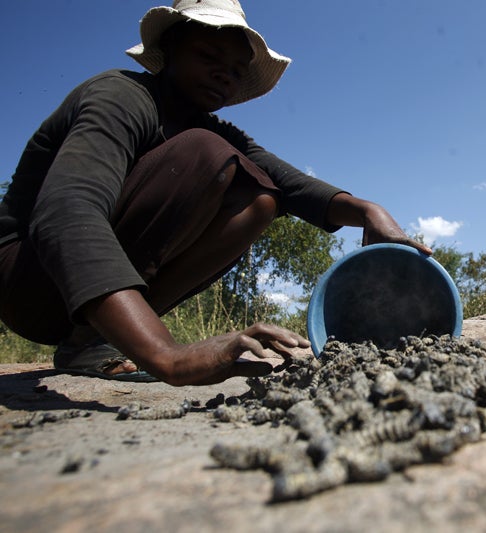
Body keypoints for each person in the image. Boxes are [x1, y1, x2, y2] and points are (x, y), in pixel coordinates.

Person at [0, 0, 430, 386]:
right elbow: (66, 209)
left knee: (259, 196)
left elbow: (291, 184)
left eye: (236, 70)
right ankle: (133, 340)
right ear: (169, 51)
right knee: (209, 155)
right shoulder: (120, 96)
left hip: (78, 307)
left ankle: (90, 342)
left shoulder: (210, 128)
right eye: (208, 56)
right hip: (27, 283)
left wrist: (370, 211)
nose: (224, 73)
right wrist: (166, 356)